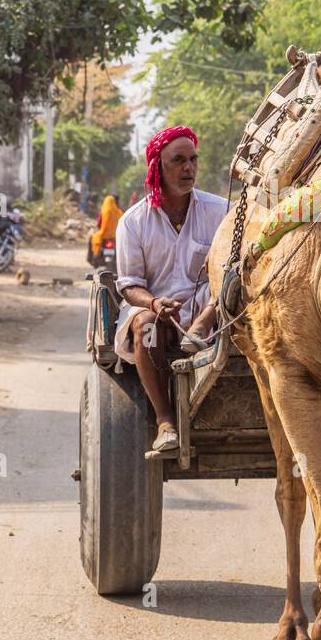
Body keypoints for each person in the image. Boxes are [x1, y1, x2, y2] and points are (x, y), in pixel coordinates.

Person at [114, 126, 224, 454]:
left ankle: (203, 324)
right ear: (157, 167)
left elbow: (235, 267)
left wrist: (207, 315)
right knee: (144, 324)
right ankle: (165, 422)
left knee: (239, 290)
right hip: (156, 315)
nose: (188, 168)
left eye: (193, 160)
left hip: (213, 311)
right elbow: (129, 285)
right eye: (178, 161)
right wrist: (155, 302)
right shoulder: (133, 221)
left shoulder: (220, 210)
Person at [87, 192, 122, 266]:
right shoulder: (119, 212)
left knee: (92, 238)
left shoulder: (104, 212)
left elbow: (99, 224)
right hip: (115, 236)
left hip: (104, 234)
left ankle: (94, 257)